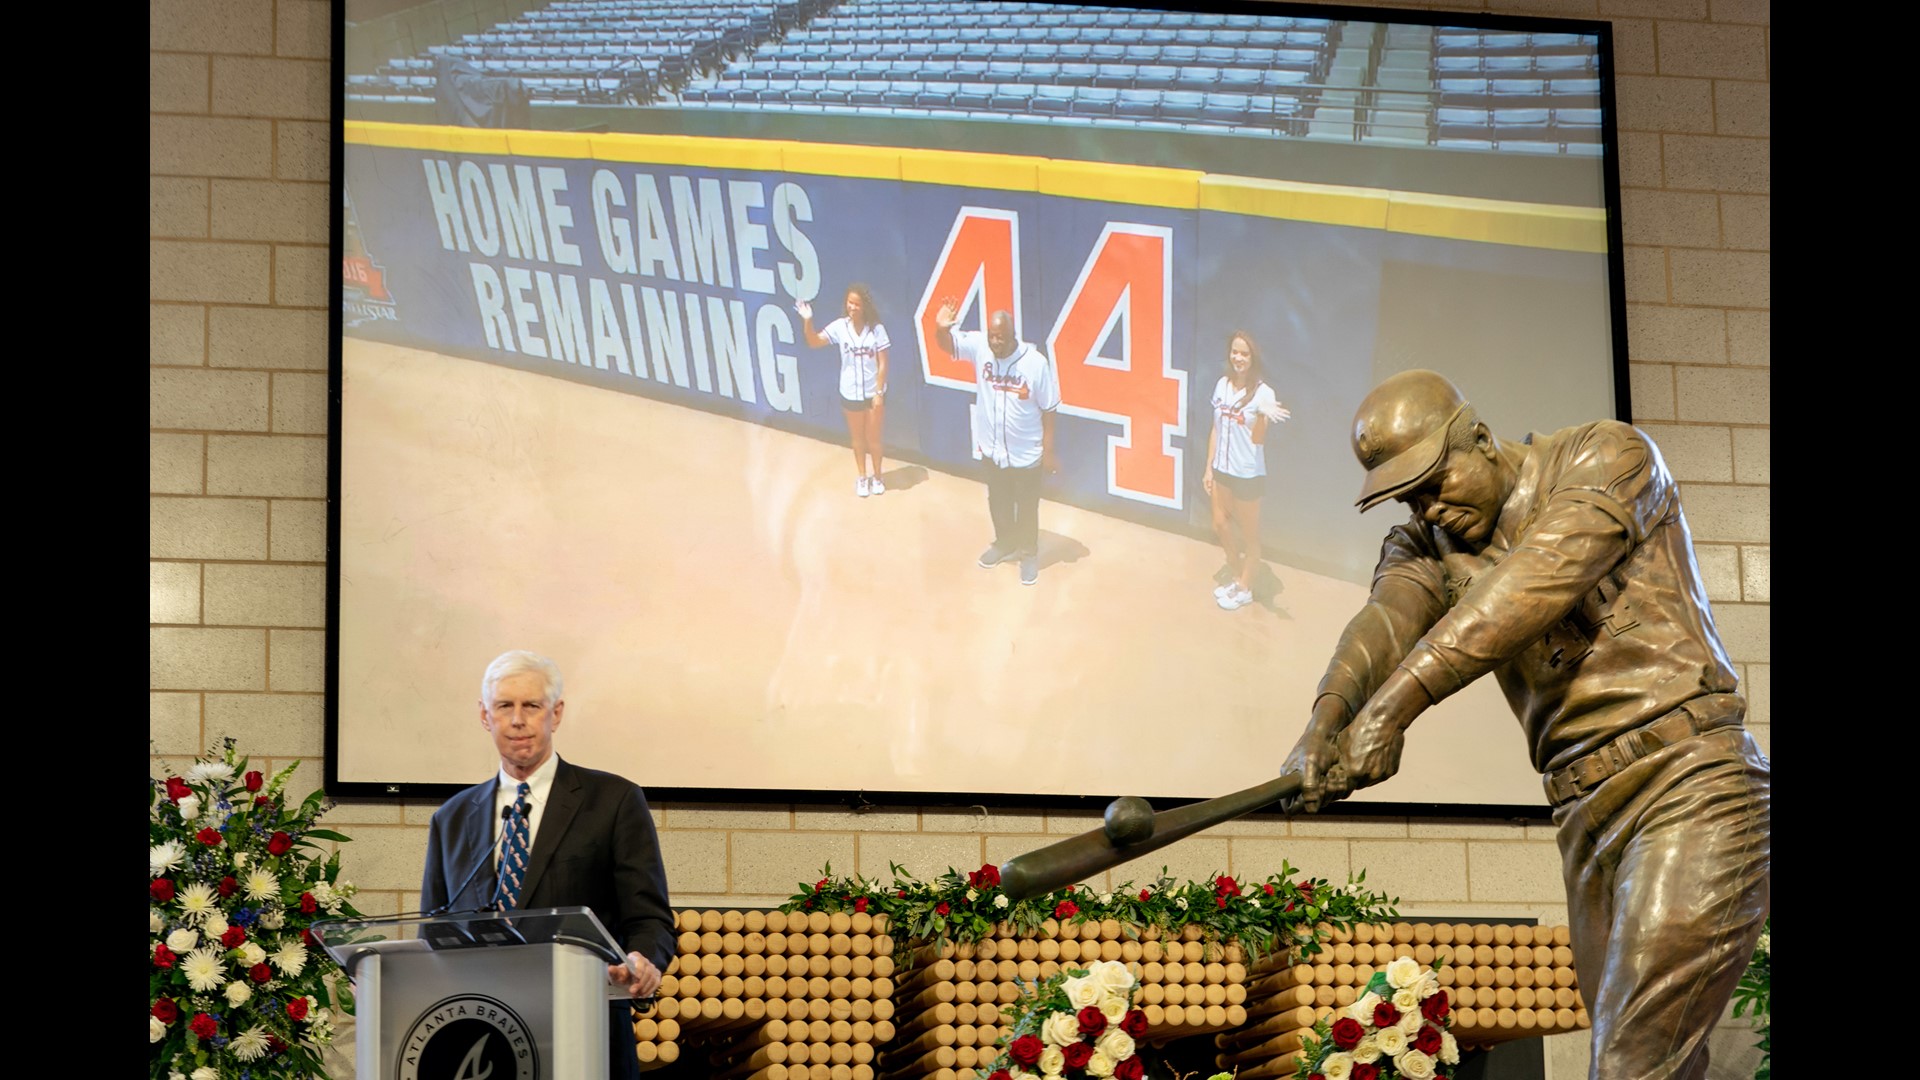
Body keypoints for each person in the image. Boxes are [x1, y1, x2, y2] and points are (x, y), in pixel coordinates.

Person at [1280, 370, 1768, 1080]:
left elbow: (1531, 586)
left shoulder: (1607, 456)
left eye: (1436, 482)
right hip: (1586, 817)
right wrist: (1324, 723)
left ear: (1478, 436)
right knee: (1657, 1061)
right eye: (1411, 497)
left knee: (1630, 1065)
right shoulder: (1423, 544)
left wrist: (1391, 709)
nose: (1430, 509)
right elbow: (1384, 621)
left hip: (1690, 783)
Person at [421, 650, 674, 1080]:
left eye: (531, 706)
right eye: (504, 706)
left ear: (555, 714)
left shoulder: (613, 801)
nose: (518, 720)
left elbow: (649, 918)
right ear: (485, 716)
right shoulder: (452, 817)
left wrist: (641, 959)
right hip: (480, 1038)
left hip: (584, 1029)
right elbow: (433, 930)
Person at [932, 299, 1060, 586]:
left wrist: (1049, 452)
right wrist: (939, 329)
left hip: (1026, 450)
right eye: (992, 335)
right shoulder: (980, 347)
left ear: (1013, 335)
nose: (995, 341)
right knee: (998, 501)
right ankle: (1004, 543)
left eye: (1001, 336)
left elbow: (1050, 409)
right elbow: (946, 345)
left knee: (1027, 507)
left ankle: (1028, 553)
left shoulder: (1035, 363)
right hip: (992, 448)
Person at [1202, 331, 1289, 611]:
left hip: (1248, 474)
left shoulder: (1264, 393)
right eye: (1235, 352)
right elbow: (1215, 428)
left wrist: (1263, 416)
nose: (1239, 358)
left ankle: (1245, 587)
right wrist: (1208, 468)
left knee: (1250, 535)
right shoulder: (1222, 385)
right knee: (1219, 523)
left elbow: (1258, 440)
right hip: (1221, 470)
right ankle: (1238, 571)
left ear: (1253, 358)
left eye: (1245, 354)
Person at [796, 285, 892, 497]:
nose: (853, 307)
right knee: (857, 439)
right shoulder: (840, 327)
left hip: (872, 392)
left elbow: (883, 363)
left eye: (857, 304)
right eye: (850, 303)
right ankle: (862, 477)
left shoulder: (876, 329)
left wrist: (878, 393)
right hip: (850, 392)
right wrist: (807, 320)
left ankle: (877, 476)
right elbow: (813, 342)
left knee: (874, 439)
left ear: (865, 306)